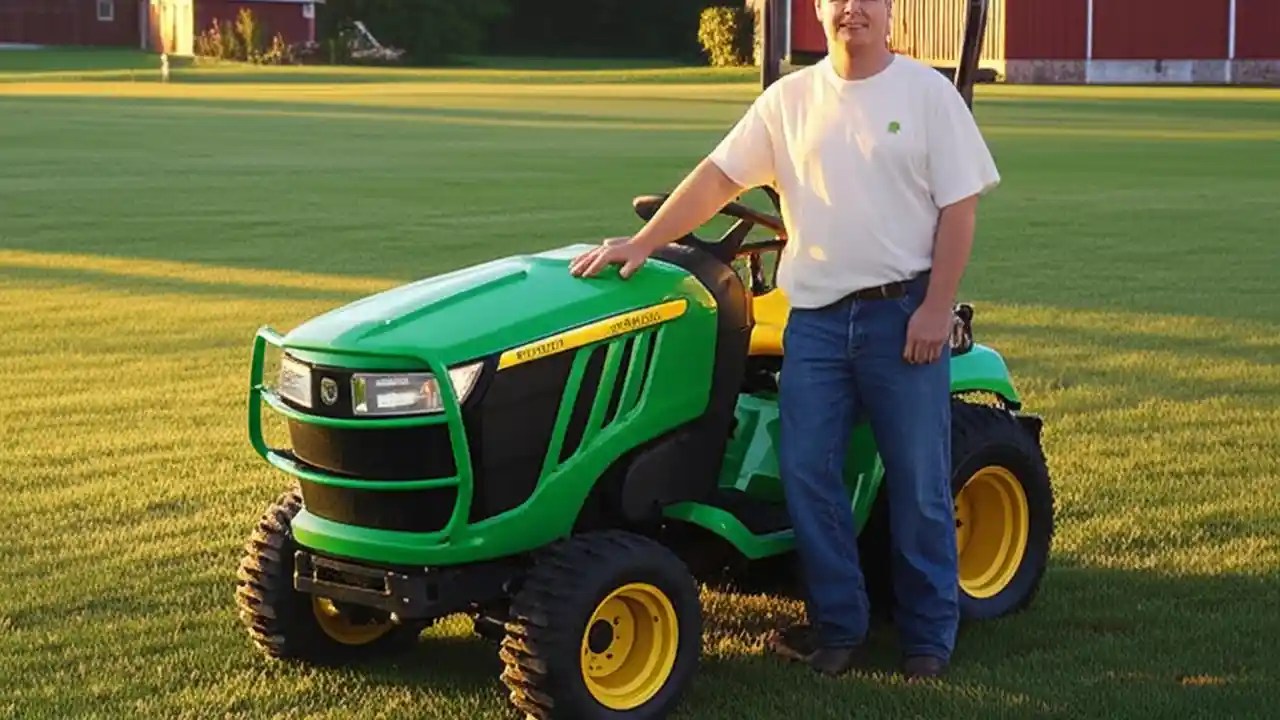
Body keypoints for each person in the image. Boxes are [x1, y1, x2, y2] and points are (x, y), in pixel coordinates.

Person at [569, 0, 999, 680]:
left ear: (887, 11)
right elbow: (718, 176)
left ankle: (927, 637)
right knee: (806, 474)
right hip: (818, 320)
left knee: (917, 482)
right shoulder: (790, 100)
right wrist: (646, 242)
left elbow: (960, 207)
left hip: (903, 314)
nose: (852, 8)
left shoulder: (926, 95)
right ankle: (840, 627)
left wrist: (936, 308)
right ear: (820, 11)